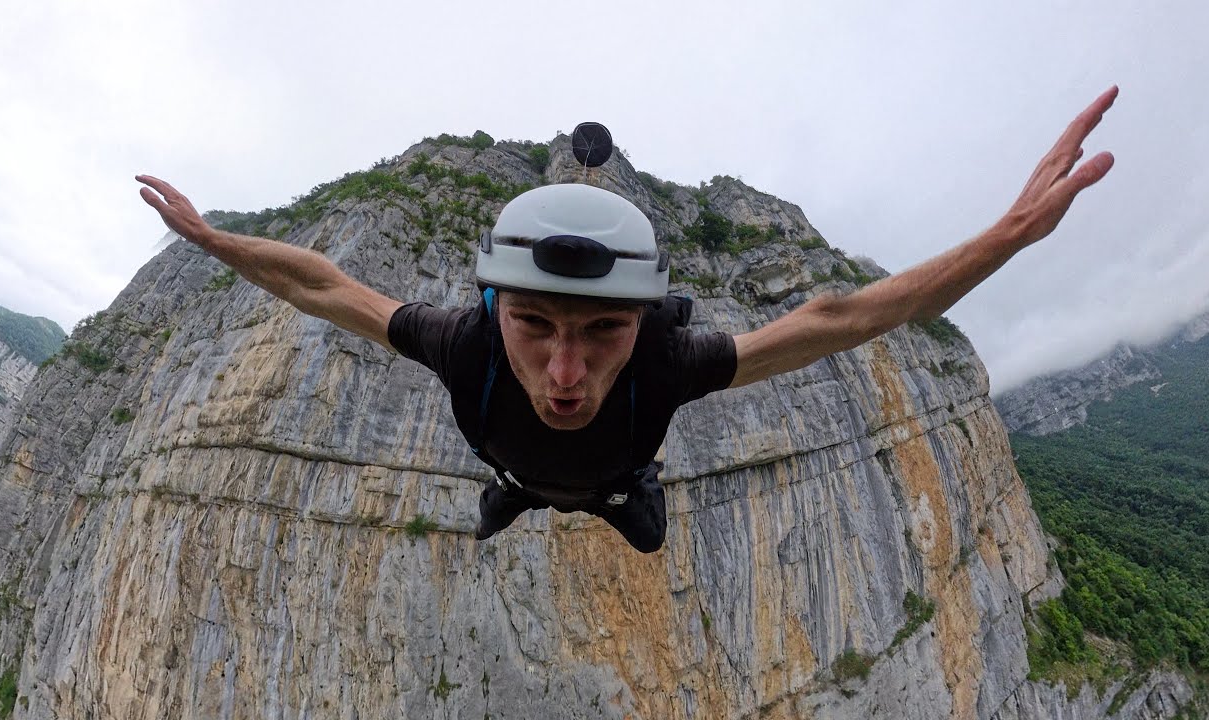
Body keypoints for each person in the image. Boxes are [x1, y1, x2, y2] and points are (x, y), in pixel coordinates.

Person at [137, 87, 1118, 553]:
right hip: (518, 464)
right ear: (493, 309)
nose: (564, 370)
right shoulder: (464, 341)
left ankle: (594, 494)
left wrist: (1008, 236)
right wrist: (214, 239)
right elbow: (323, 286)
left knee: (633, 522)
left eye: (600, 333)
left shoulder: (664, 357)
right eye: (535, 328)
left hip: (615, 476)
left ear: (638, 326)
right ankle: (521, 489)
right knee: (516, 484)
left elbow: (843, 319)